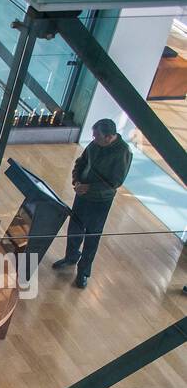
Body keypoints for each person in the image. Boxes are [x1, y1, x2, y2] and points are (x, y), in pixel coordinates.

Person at [53, 119, 132, 289]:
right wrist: (76, 181)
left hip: (100, 200)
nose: (93, 138)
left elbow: (115, 182)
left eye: (97, 136)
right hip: (83, 194)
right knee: (75, 228)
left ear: (109, 137)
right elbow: (81, 163)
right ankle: (71, 257)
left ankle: (83, 271)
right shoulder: (95, 144)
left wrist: (88, 187)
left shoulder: (123, 152)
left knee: (92, 236)